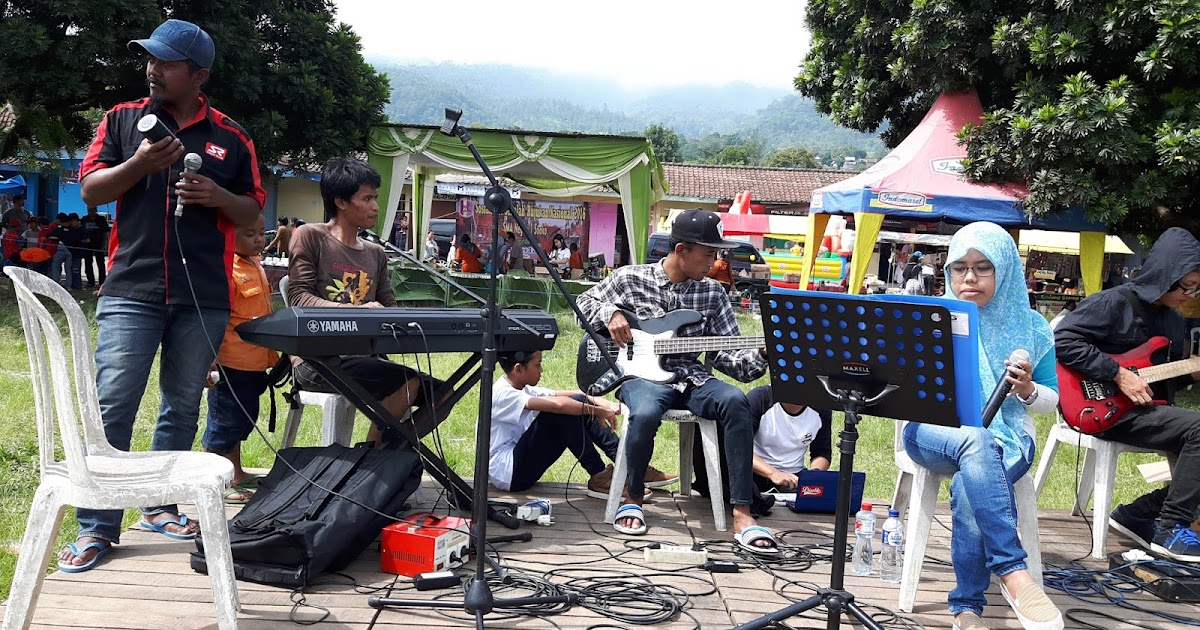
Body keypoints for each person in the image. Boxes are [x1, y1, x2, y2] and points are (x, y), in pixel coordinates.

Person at [59, 18, 266, 573]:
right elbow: (91, 190)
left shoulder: (231, 137)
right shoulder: (123, 121)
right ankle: (97, 527)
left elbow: (251, 211)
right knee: (113, 405)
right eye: (149, 58)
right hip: (131, 288)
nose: (152, 68)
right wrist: (140, 164)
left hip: (204, 294)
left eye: (166, 62)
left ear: (197, 75)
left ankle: (158, 506)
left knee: (181, 407)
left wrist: (217, 194)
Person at [576, 208, 777, 553]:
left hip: (693, 378)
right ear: (681, 250)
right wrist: (611, 314)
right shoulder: (629, 278)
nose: (714, 262)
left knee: (735, 401)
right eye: (708, 253)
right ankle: (633, 497)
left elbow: (735, 365)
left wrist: (762, 354)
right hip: (642, 377)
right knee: (644, 410)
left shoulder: (713, 293)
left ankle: (742, 512)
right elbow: (581, 303)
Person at [902, 222, 1062, 630]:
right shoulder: (929, 317)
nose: (969, 277)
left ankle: (967, 609)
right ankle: (1012, 572)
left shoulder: (1033, 327)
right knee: (976, 439)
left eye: (983, 267)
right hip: (932, 433)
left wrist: (1026, 389)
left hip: (1007, 438)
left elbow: (1050, 401)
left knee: (971, 475)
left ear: (1005, 269)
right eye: (959, 268)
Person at [1056, 227, 1200, 563]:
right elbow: (1062, 342)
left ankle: (1139, 513)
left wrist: (1188, 373)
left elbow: (1158, 380)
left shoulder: (1174, 321)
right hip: (1101, 407)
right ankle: (1170, 528)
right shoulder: (1113, 302)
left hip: (1143, 410)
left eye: (1196, 288)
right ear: (1166, 275)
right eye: (1186, 286)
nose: (1190, 295)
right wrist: (1117, 374)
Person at [287, 157, 444, 446]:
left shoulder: (375, 253)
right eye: (367, 198)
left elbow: (390, 308)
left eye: (376, 198)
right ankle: (373, 455)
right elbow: (298, 298)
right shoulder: (310, 236)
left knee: (443, 394)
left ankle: (376, 451)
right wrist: (357, 311)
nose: (375, 206)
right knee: (407, 383)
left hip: (365, 357)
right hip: (317, 359)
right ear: (341, 202)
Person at [491, 350, 673, 497]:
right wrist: (599, 411)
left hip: (519, 465)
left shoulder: (520, 387)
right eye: (537, 365)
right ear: (518, 369)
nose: (541, 370)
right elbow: (560, 405)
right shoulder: (503, 394)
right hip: (509, 474)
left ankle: (628, 463)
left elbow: (572, 395)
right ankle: (599, 474)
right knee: (560, 414)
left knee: (575, 403)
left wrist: (601, 402)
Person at [203, 214, 274, 504]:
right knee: (225, 423)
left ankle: (237, 470)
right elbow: (214, 320)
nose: (259, 239)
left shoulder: (254, 265)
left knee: (243, 419)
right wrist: (209, 359)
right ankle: (217, 479)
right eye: (250, 233)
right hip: (231, 361)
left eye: (261, 232)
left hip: (255, 362)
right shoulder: (225, 268)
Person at [79, 206, 110, 289]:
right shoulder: (84, 219)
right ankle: (90, 281)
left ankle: (102, 282)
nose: (91, 212)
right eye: (89, 210)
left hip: (98, 244)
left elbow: (105, 233)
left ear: (96, 210)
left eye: (92, 210)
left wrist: (105, 244)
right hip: (87, 245)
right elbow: (80, 231)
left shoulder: (101, 219)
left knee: (100, 263)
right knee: (88, 263)